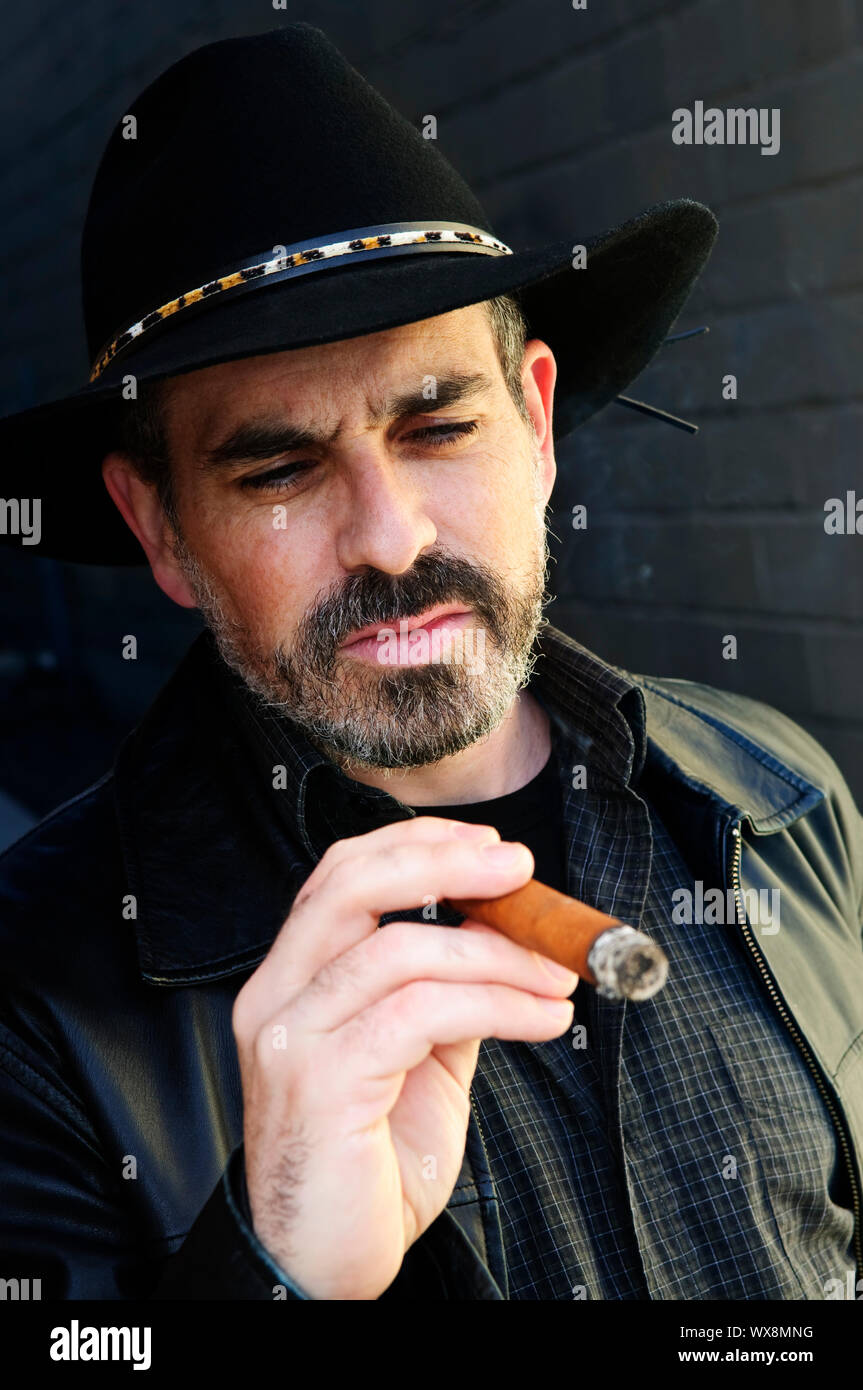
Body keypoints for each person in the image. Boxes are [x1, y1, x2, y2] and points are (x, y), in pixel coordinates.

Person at [0, 23, 861, 1302]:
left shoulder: (776, 793)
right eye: (279, 468)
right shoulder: (34, 1007)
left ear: (535, 424)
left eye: (440, 425)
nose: (392, 537)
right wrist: (274, 1268)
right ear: (161, 531)